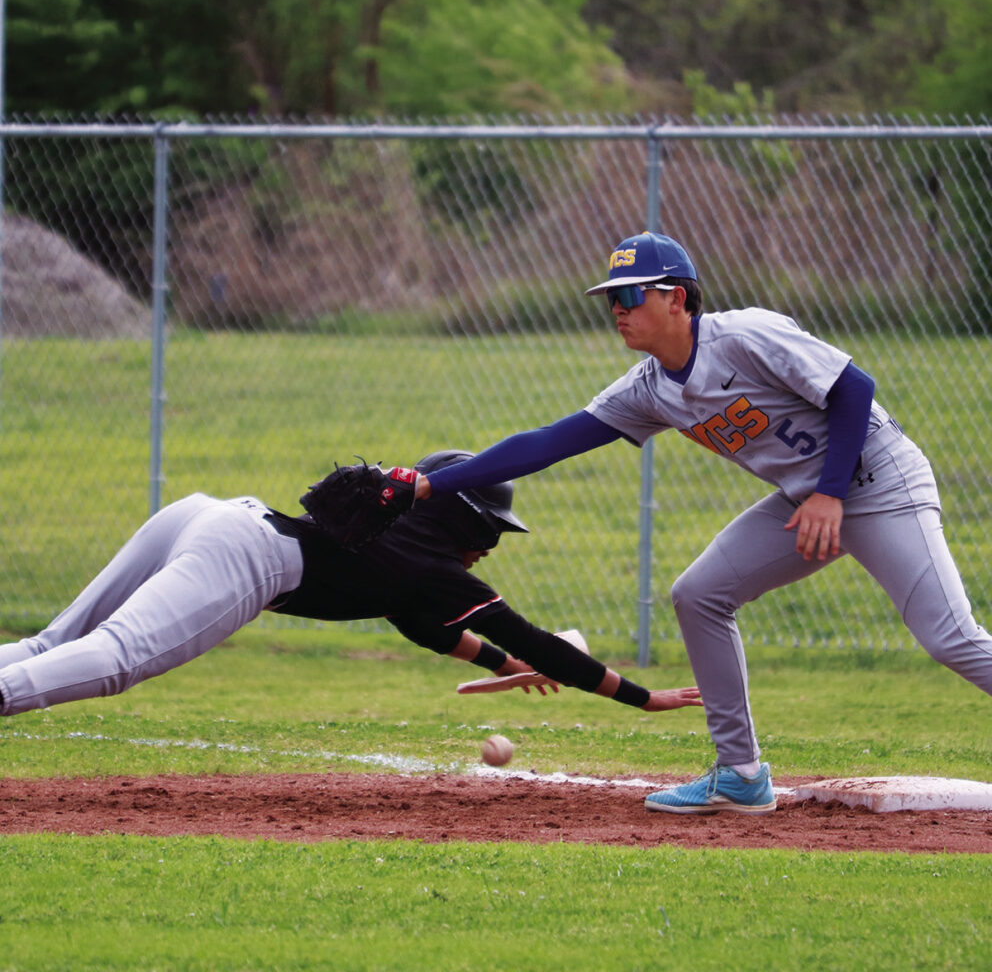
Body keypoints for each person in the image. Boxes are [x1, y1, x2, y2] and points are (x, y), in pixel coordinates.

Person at [412, 232, 992, 815]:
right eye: (610, 298)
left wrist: (830, 493)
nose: (618, 308)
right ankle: (740, 773)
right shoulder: (648, 388)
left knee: (950, 637)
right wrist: (432, 483)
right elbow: (546, 444)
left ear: (676, 299)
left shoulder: (743, 336)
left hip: (880, 483)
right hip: (807, 501)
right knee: (700, 593)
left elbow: (853, 388)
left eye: (631, 294)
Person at [0, 449, 701, 720]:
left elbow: (437, 632)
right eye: (490, 532)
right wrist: (640, 697)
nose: (488, 548)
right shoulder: (433, 567)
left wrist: (504, 666)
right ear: (465, 522)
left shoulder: (407, 561)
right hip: (247, 558)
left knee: (57, 640)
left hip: (207, 514)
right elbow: (529, 636)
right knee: (117, 658)